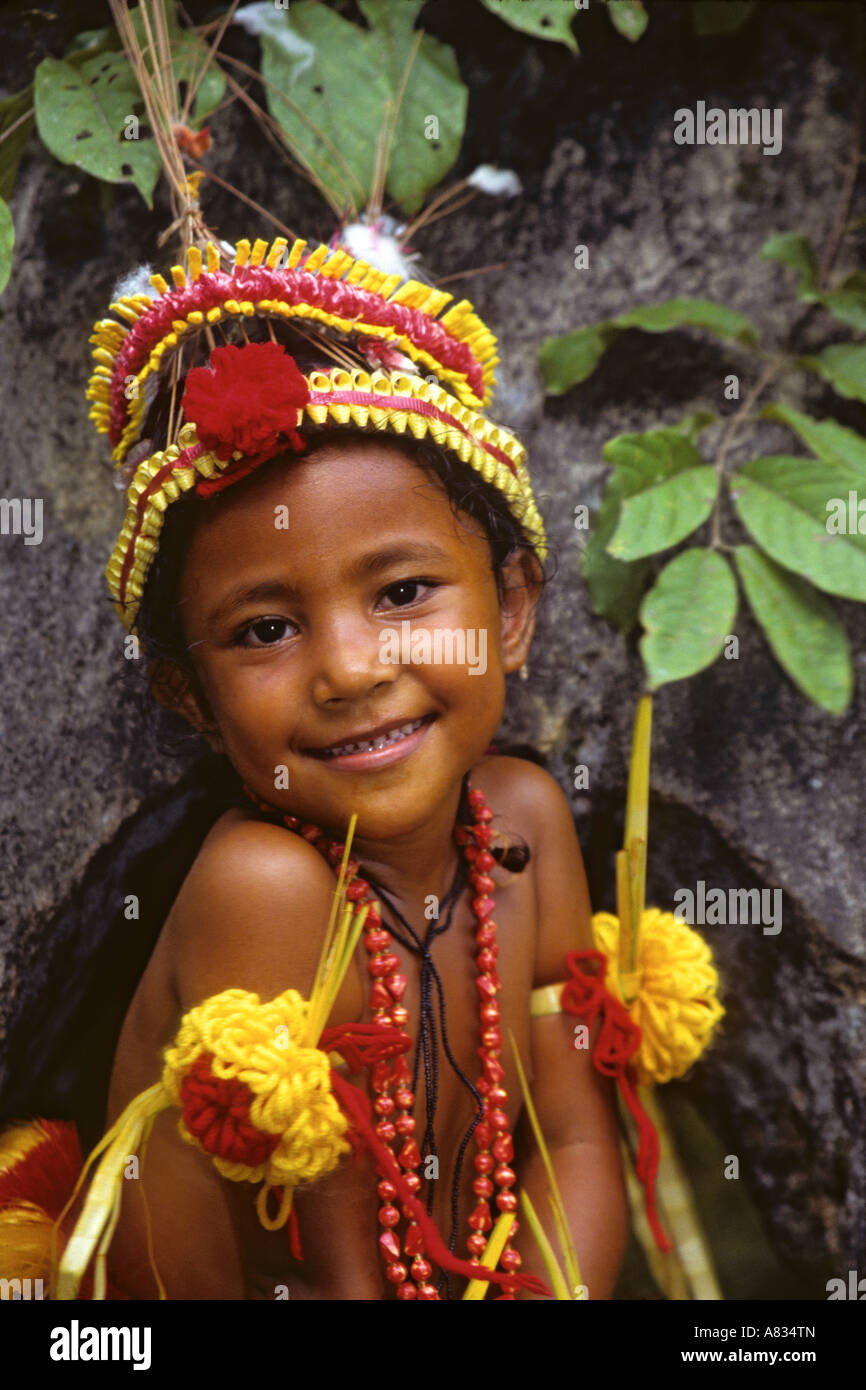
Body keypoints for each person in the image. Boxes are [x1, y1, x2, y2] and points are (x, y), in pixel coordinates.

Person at [1, 233, 630, 1300]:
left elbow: (572, 1142)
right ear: (191, 699)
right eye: (262, 630)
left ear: (511, 609)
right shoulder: (268, 887)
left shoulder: (525, 822)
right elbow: (345, 1268)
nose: (347, 670)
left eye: (400, 594)